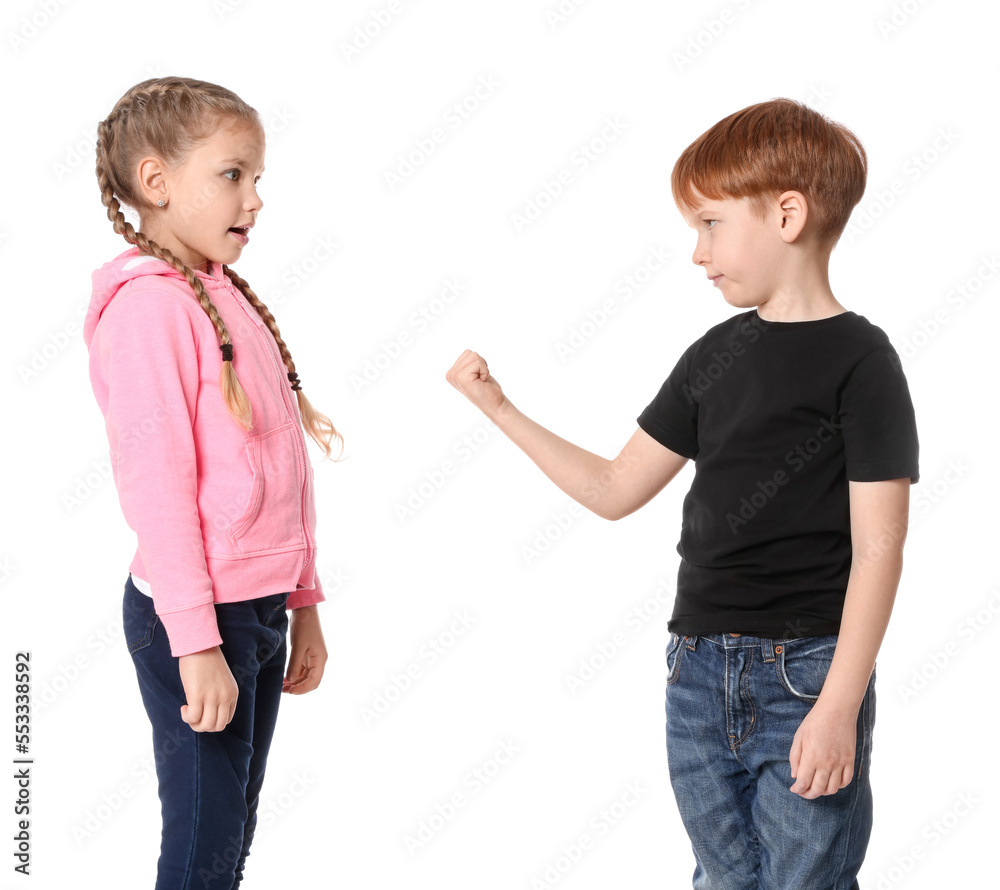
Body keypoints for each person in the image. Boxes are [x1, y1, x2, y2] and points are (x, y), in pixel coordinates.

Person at [445, 97, 919, 889]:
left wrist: (838, 705)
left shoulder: (863, 361)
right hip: (697, 670)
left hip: (806, 673)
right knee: (722, 880)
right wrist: (500, 409)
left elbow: (880, 548)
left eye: (710, 224)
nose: (698, 253)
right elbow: (614, 487)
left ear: (787, 215)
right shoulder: (712, 357)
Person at [84, 76, 342, 889]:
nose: (255, 198)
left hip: (259, 606)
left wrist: (304, 602)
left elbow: (283, 470)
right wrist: (195, 642)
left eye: (257, 177)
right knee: (203, 841)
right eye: (233, 174)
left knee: (230, 837)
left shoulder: (223, 296)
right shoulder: (149, 311)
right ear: (156, 181)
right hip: (195, 617)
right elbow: (157, 491)